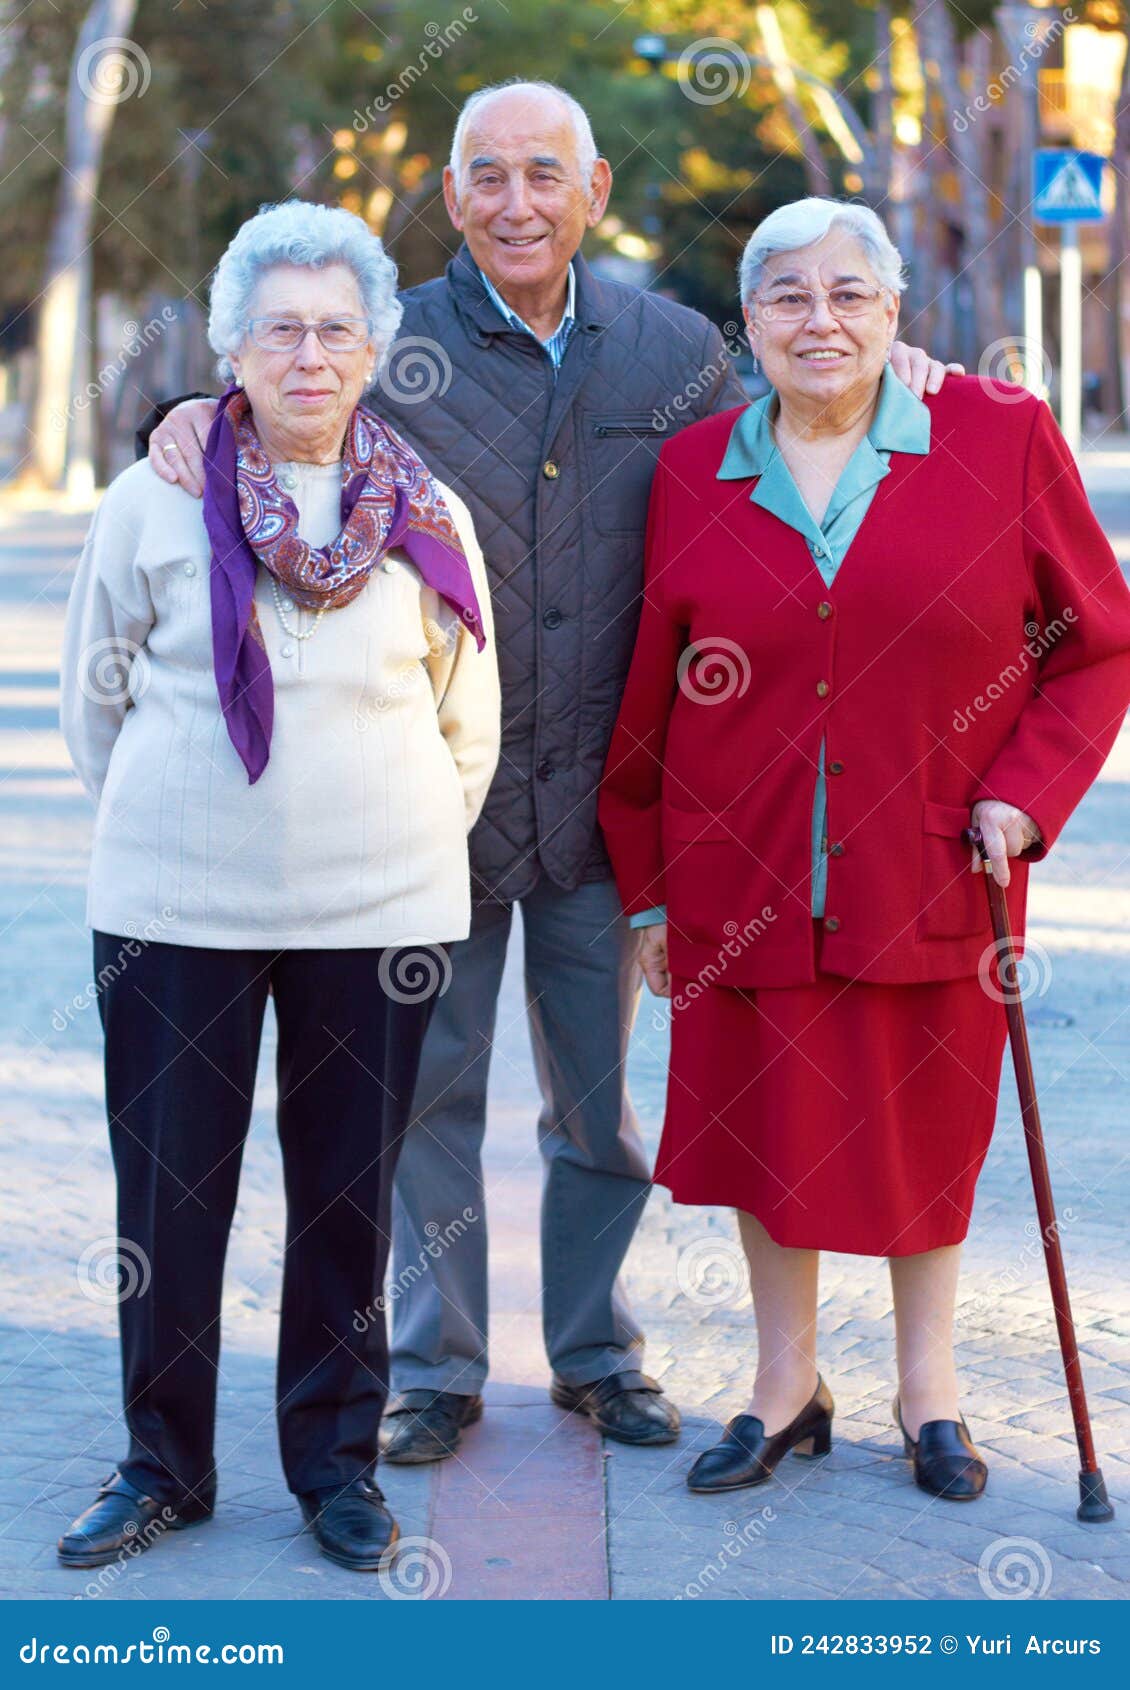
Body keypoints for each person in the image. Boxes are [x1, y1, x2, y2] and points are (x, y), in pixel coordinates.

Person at [142, 84, 957, 1466]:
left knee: (598, 1108)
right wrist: (186, 413)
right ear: (452, 197)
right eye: (488, 177)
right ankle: (433, 1368)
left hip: (610, 804)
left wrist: (921, 373)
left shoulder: (675, 348)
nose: (517, 202)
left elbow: (811, 397)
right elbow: (276, 397)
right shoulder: (387, 337)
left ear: (589, 195)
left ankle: (593, 1351)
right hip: (428, 807)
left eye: (544, 175)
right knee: (421, 1100)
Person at [599, 196, 1130, 1501]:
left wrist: (1024, 792)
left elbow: (1096, 641)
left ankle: (928, 1390)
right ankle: (784, 1389)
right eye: (785, 295)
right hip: (742, 874)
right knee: (765, 1137)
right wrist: (650, 893)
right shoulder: (693, 473)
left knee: (919, 1131)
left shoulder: (994, 438)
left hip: (934, 862)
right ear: (748, 326)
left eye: (847, 294)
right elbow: (648, 697)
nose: (816, 319)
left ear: (895, 315)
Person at [57, 202, 499, 1572]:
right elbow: (97, 697)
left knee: (345, 1201)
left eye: (335, 329)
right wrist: (178, 821)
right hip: (176, 914)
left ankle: (334, 1466)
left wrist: (396, 838)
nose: (309, 353)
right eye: (280, 329)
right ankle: (163, 1466)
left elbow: (463, 720)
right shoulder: (149, 501)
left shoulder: (429, 514)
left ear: (375, 351)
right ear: (232, 350)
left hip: (376, 921)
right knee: (170, 1195)